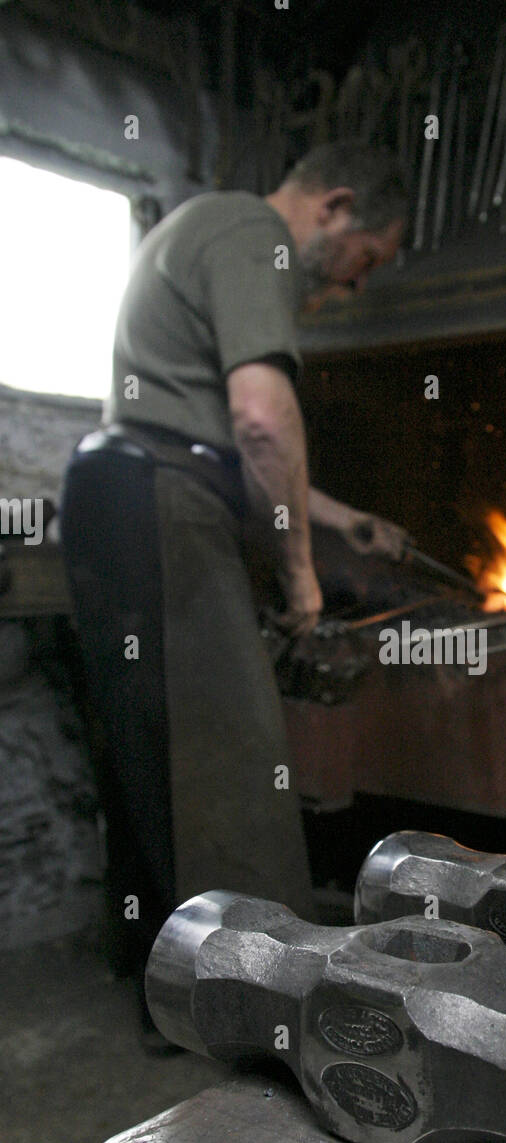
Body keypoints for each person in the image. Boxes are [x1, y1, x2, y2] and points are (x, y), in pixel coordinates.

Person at [60, 143, 409, 1024]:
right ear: (333, 208)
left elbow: (227, 432)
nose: (357, 285)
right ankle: (251, 1012)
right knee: (233, 756)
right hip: (160, 503)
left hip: (122, 491)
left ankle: (161, 987)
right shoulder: (257, 233)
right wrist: (300, 577)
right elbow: (260, 417)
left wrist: (335, 520)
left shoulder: (202, 225)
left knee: (155, 746)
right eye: (367, 260)